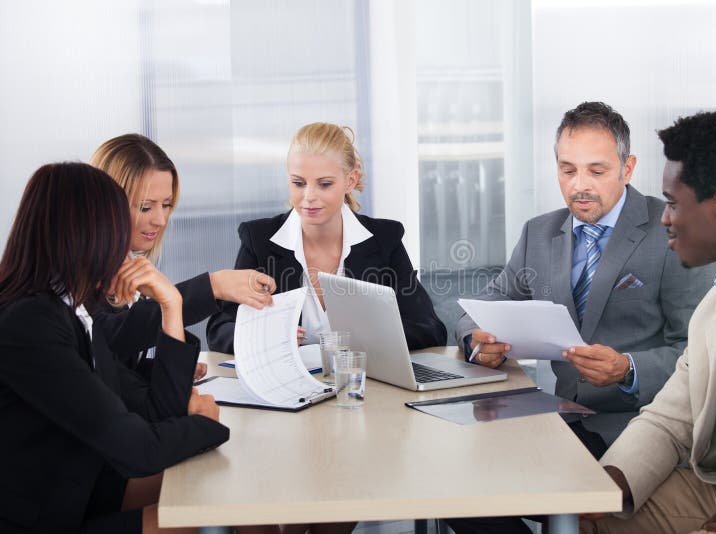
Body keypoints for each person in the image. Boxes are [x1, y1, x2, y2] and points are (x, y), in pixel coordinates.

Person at [582, 110, 716, 534]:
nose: (665, 219)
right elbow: (669, 419)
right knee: (587, 522)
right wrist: (610, 483)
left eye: (673, 202)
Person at [457, 102, 715, 454]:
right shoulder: (540, 233)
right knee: (468, 478)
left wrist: (628, 368)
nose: (579, 186)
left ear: (628, 168)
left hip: (639, 428)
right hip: (558, 420)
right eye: (567, 170)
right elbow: (480, 307)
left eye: (596, 171)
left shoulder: (673, 231)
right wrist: (476, 342)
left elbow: (705, 352)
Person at [0, 162, 229, 533]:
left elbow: (158, 410)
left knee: (201, 493)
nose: (125, 244)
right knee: (183, 518)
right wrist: (205, 424)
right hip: (40, 516)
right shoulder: (30, 323)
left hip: (75, 490)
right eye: (118, 229)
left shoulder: (71, 309)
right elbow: (140, 451)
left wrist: (172, 305)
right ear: (87, 233)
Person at [207, 122, 447, 355]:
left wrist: (366, 338)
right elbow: (220, 330)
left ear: (350, 181)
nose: (309, 196)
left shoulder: (385, 239)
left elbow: (430, 328)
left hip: (362, 386)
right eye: (298, 183)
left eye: (324, 184)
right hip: (289, 390)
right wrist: (267, 336)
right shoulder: (259, 240)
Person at [88, 133, 276, 377]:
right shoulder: (78, 276)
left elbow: (118, 366)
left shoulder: (127, 264)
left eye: (166, 205)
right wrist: (212, 286)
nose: (160, 219)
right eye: (146, 207)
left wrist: (159, 371)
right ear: (108, 204)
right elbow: (106, 339)